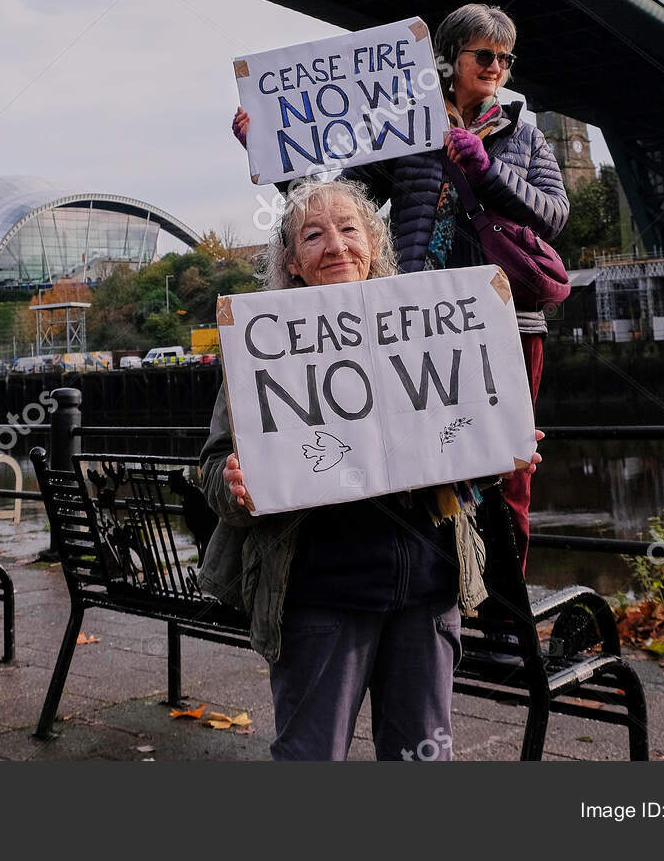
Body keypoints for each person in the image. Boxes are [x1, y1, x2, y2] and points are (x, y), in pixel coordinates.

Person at [198, 178, 539, 761]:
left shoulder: (428, 325)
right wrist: (233, 484)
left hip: (427, 589)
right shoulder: (263, 345)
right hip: (320, 595)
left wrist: (498, 446)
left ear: (374, 244)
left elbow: (460, 447)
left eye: (349, 229)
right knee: (310, 757)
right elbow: (212, 471)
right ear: (292, 262)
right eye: (314, 235)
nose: (336, 246)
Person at [232, 3, 568, 570]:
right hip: (420, 322)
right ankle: (453, 594)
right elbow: (345, 201)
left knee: (509, 465)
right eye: (483, 55)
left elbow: (554, 217)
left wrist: (487, 168)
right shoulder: (404, 132)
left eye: (505, 59)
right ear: (449, 59)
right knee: (429, 457)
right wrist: (271, 154)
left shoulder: (525, 138)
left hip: (506, 318)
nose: (496, 67)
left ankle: (508, 621)